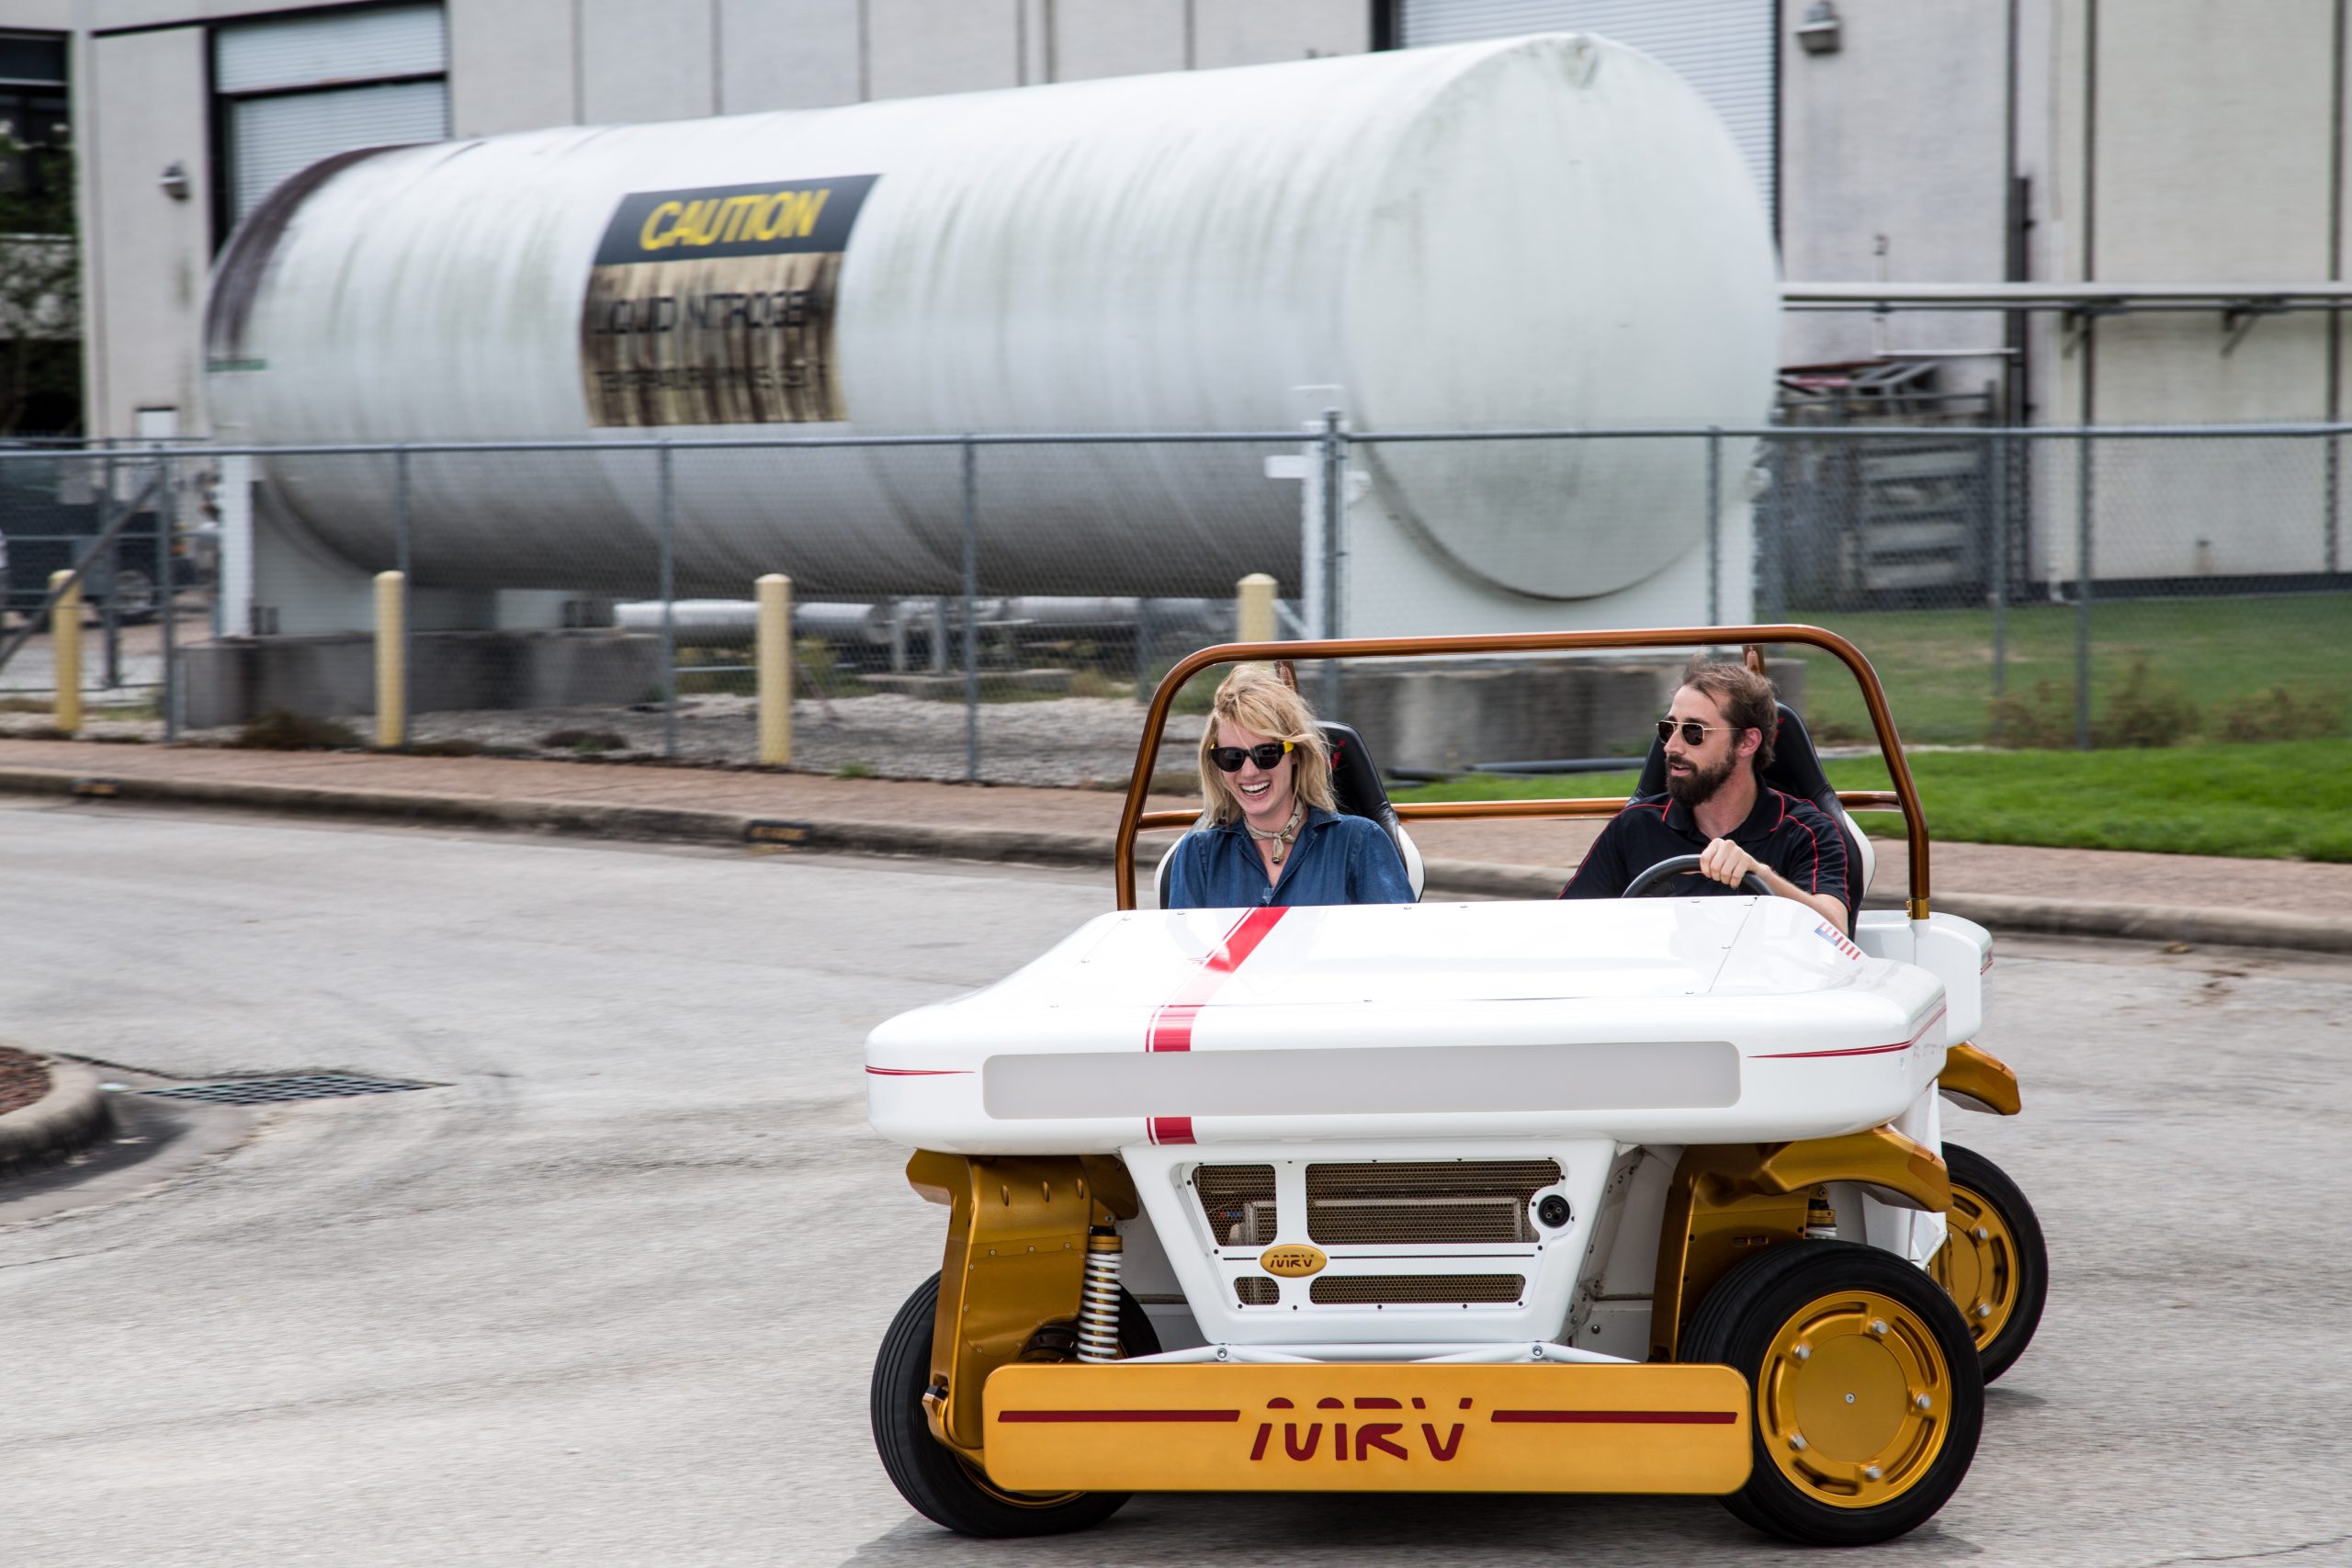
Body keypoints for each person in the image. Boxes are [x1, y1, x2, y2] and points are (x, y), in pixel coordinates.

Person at [1561, 657, 1849, 930]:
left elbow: (1836, 931)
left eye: (1694, 732)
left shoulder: (1807, 831)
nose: (1671, 746)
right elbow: (1566, 925)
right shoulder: (1634, 826)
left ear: (1747, 742)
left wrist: (1760, 875)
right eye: (1668, 728)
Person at [1162, 665, 1415, 909]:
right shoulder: (1197, 854)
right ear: (1216, 764)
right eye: (1231, 757)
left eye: (1267, 753)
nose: (1249, 772)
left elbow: (1398, 943)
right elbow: (1189, 953)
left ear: (1296, 754)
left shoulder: (1360, 841)